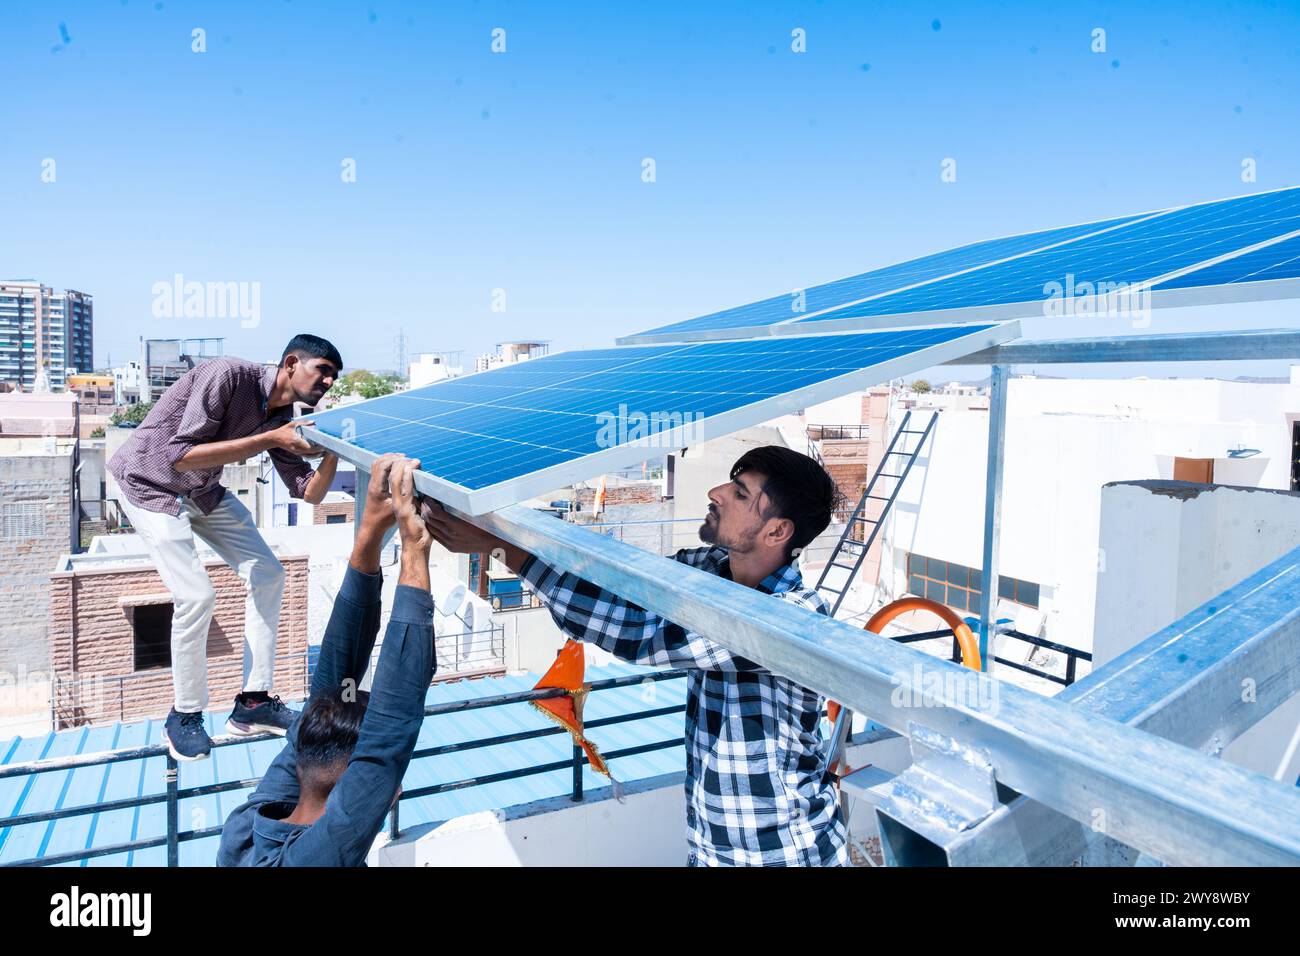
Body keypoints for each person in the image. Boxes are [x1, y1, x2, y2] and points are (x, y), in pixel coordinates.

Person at [425, 445, 849, 866]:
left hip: (785, 855)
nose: (716, 492)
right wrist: (505, 533)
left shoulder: (788, 617)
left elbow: (639, 634)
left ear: (777, 533)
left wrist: (507, 551)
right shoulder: (711, 568)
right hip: (713, 850)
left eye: (740, 494)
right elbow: (619, 591)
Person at [108, 334, 343, 761]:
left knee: (269, 573)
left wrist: (338, 452)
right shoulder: (228, 375)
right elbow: (180, 456)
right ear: (292, 363)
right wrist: (272, 440)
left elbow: (309, 494)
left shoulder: (284, 418)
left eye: (334, 376)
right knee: (197, 595)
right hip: (148, 483)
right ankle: (184, 714)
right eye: (322, 370)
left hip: (201, 491)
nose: (328, 381)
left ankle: (253, 702)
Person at [217, 454, 436, 867]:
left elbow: (332, 698)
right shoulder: (290, 855)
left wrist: (370, 533)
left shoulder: (247, 834)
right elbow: (386, 737)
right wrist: (414, 551)